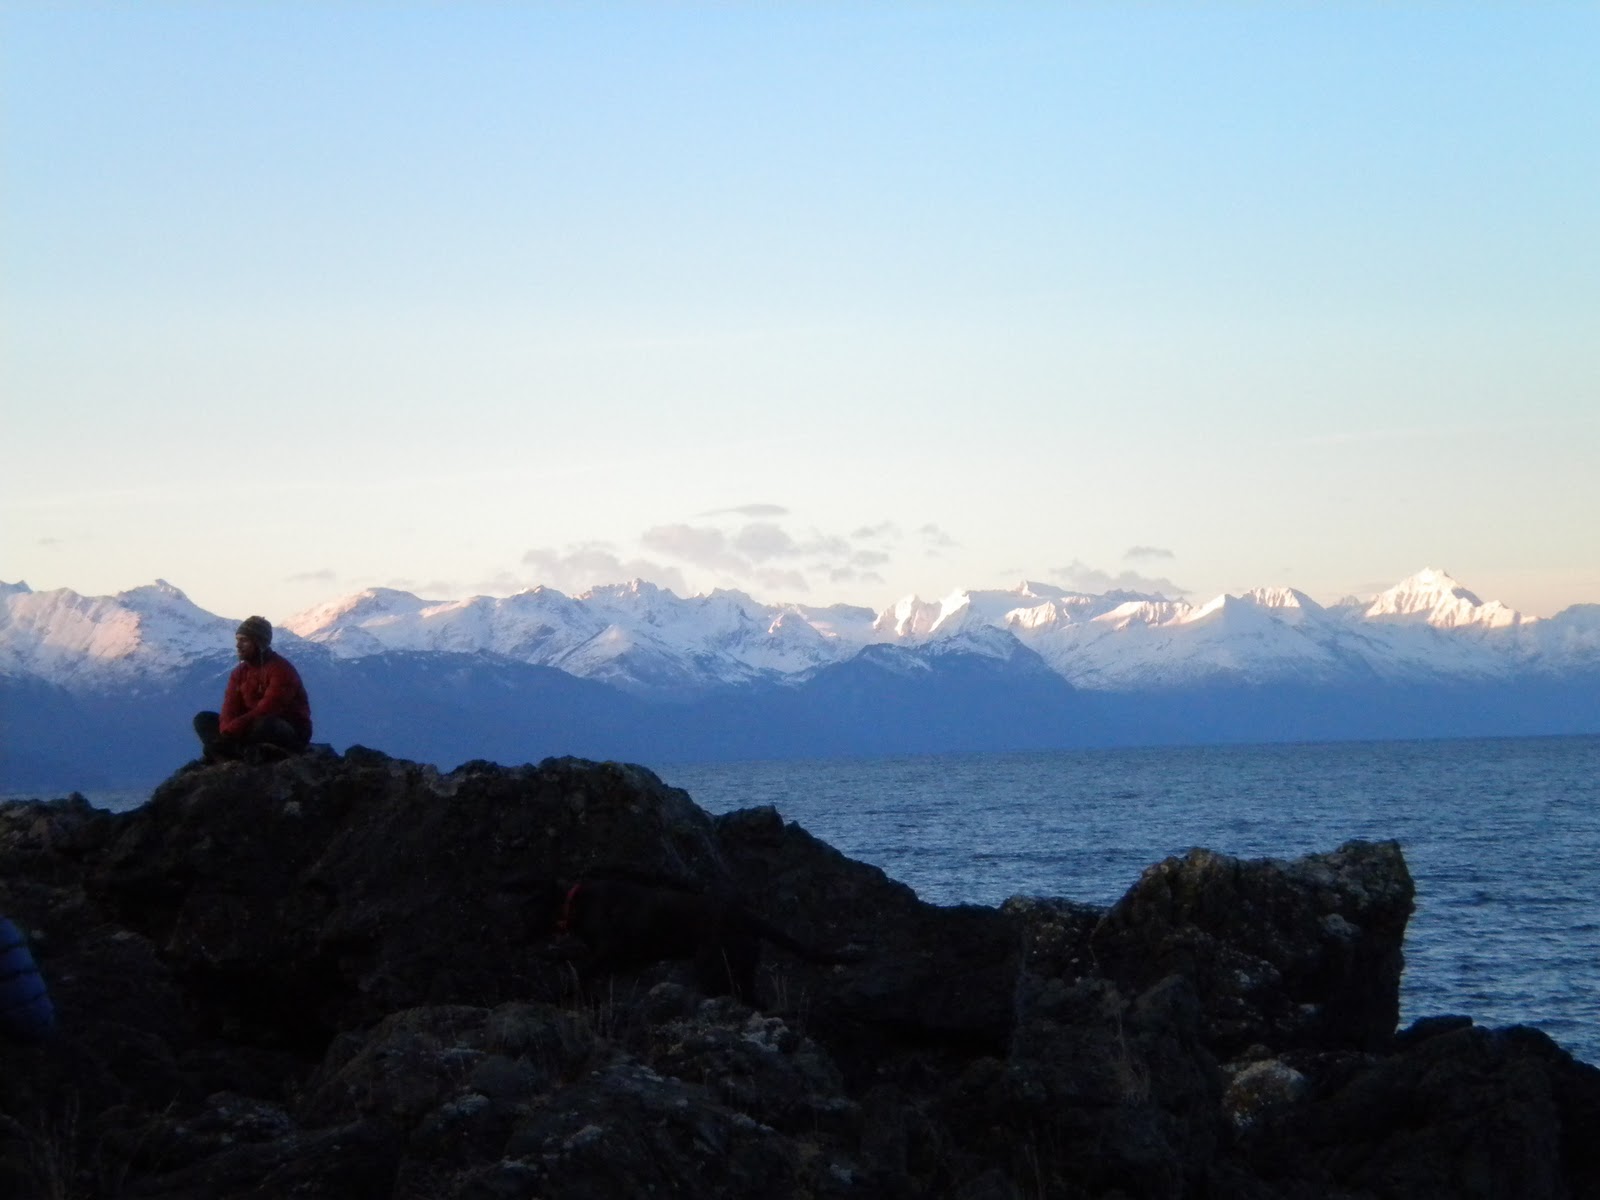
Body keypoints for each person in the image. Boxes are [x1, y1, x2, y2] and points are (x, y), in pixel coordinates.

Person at [193, 615, 313, 761]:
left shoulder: (281, 670)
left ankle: (227, 752)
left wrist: (231, 731)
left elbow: (269, 708)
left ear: (258, 643)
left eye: (244, 640)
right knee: (203, 719)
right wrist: (226, 730)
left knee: (266, 724)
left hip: (286, 728)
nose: (238, 645)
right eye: (238, 640)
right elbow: (230, 706)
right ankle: (238, 751)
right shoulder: (239, 672)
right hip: (247, 727)